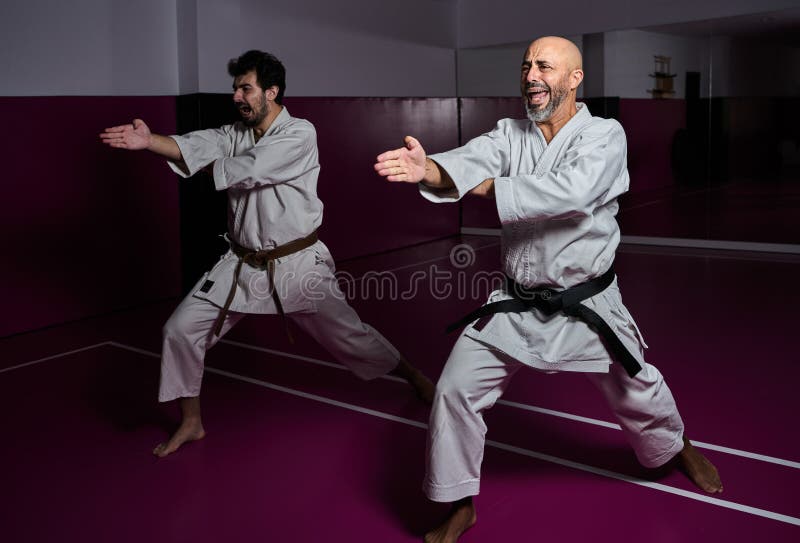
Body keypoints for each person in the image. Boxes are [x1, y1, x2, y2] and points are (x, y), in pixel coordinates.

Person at [374, 36, 722, 543]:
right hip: (516, 301)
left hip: (585, 302)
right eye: (526, 65)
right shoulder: (510, 133)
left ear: (574, 79)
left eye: (545, 65)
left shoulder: (604, 135)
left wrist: (491, 187)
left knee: (637, 386)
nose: (531, 74)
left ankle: (676, 446)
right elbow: (471, 159)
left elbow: (574, 192)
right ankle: (459, 502)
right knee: (453, 391)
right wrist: (430, 168)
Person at [100, 50, 433, 458]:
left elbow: (249, 169)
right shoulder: (234, 133)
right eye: (235, 88)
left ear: (271, 91)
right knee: (180, 330)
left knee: (352, 338)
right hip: (240, 262)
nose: (238, 96)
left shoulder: (299, 134)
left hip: (297, 264)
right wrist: (149, 140)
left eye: (246, 88)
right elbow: (194, 146)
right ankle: (191, 422)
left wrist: (205, 158)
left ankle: (413, 375)